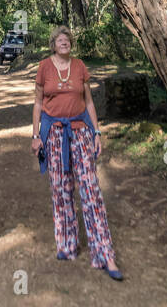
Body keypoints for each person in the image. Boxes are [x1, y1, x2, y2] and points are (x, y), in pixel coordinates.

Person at [30, 26, 123, 279]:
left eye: (67, 40)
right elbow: (38, 103)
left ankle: (105, 253)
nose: (64, 42)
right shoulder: (44, 68)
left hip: (80, 132)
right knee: (61, 189)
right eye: (60, 40)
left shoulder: (80, 66)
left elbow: (89, 102)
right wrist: (36, 135)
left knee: (90, 189)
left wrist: (97, 132)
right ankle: (66, 244)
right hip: (54, 134)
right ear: (53, 44)